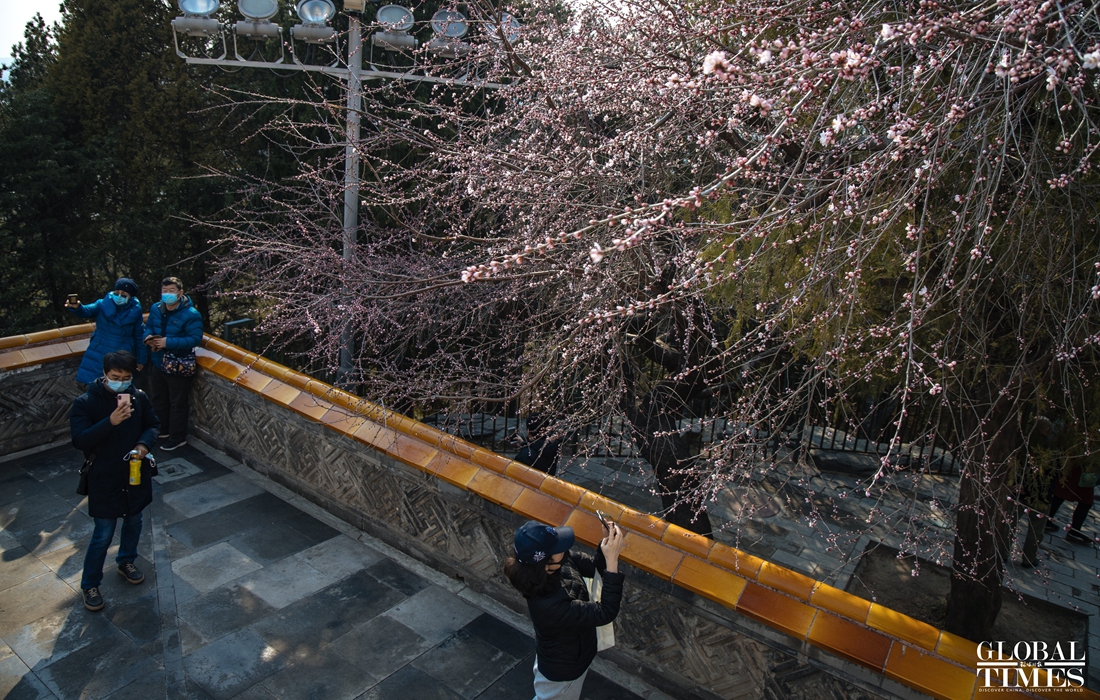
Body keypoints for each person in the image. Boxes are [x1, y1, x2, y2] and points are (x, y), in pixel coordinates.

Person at [70, 351, 159, 612]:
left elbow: (152, 425)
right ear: (105, 374)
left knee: (134, 520)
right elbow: (80, 440)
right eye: (115, 377)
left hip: (133, 472)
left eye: (126, 378)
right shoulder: (85, 402)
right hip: (105, 477)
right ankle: (90, 584)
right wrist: (110, 421)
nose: (120, 382)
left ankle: (126, 560)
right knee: (103, 533)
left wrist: (143, 445)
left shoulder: (138, 397)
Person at [504, 519, 626, 700]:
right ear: (546, 563)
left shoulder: (556, 564)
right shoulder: (548, 605)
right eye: (557, 546)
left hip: (567, 656)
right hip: (562, 672)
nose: (565, 547)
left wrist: (605, 544)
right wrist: (612, 560)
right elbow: (605, 612)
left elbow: (593, 567)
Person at [144, 277, 203, 451]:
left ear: (180, 293)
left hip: (178, 364)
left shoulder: (191, 314)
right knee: (159, 398)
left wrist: (167, 343)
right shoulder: (156, 309)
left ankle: (177, 437)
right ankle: (162, 429)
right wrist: (148, 338)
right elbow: (148, 328)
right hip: (157, 361)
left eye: (171, 291)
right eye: (165, 291)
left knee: (177, 402)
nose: (167, 294)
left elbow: (194, 339)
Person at [65, 278, 147, 385]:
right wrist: (77, 307)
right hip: (99, 350)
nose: (119, 296)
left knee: (120, 385)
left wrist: (141, 359)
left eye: (124, 294)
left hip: (123, 353)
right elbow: (86, 311)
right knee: (96, 385)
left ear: (131, 297)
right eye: (117, 293)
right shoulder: (102, 304)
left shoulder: (135, 311)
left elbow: (139, 335)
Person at [1046, 461, 1096, 544]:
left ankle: (1046, 520)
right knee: (1085, 501)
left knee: (1061, 493)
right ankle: (1074, 531)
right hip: (1083, 466)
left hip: (1077, 464)